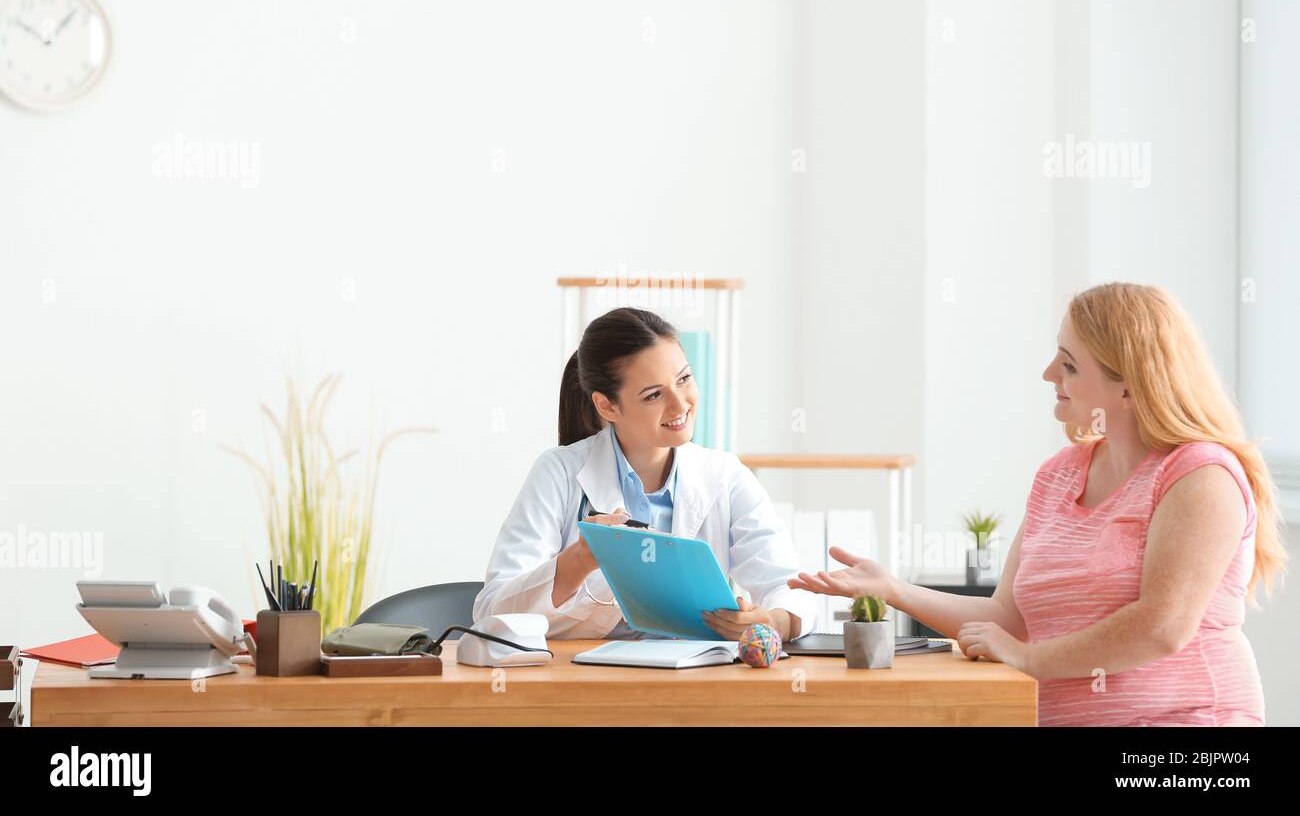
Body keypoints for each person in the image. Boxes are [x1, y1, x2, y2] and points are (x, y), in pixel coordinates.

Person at [790, 283, 1286, 725]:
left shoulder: (1200, 474)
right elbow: (1010, 619)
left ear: (1129, 387)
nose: (1049, 373)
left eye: (1069, 364)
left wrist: (1029, 659)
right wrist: (894, 589)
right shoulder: (1059, 474)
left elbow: (1161, 627)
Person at [475, 306, 817, 642]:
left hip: (695, 681)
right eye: (654, 395)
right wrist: (578, 560)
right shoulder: (558, 472)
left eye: (683, 379)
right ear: (607, 405)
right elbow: (493, 611)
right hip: (583, 682)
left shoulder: (726, 476)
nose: (680, 405)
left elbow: (789, 587)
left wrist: (773, 620)